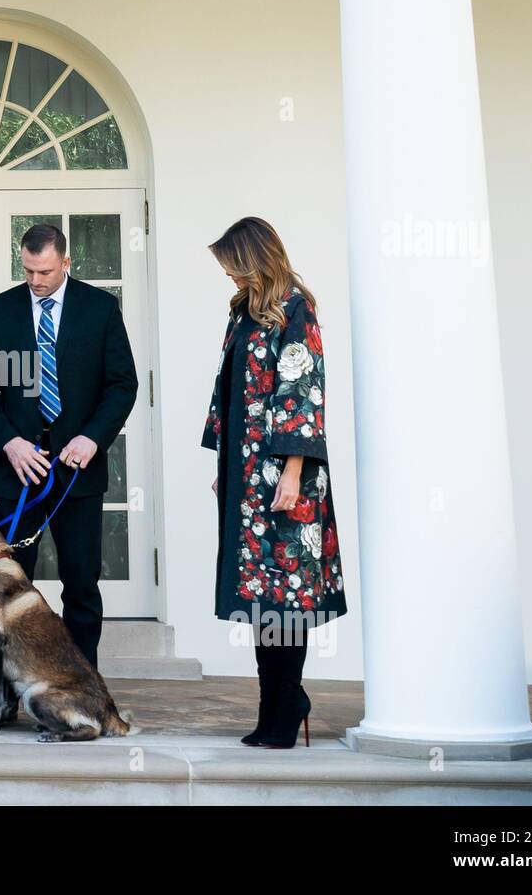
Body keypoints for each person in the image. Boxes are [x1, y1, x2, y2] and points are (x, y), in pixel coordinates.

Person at [0, 223, 137, 722]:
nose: (35, 280)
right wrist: (10, 442)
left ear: (66, 263)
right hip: (18, 472)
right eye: (27, 270)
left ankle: (84, 692)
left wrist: (91, 437)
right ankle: (4, 700)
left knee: (80, 583)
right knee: (5, 593)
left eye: (44, 271)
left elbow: (122, 385)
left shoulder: (100, 308)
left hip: (76, 472)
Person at [201, 216, 348, 749]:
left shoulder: (296, 310)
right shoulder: (244, 314)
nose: (230, 278)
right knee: (261, 597)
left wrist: (292, 472)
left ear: (256, 258)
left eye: (234, 267)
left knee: (284, 593)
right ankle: (276, 705)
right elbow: (229, 393)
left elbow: (302, 392)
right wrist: (224, 468)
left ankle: (285, 705)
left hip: (286, 478)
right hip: (246, 478)